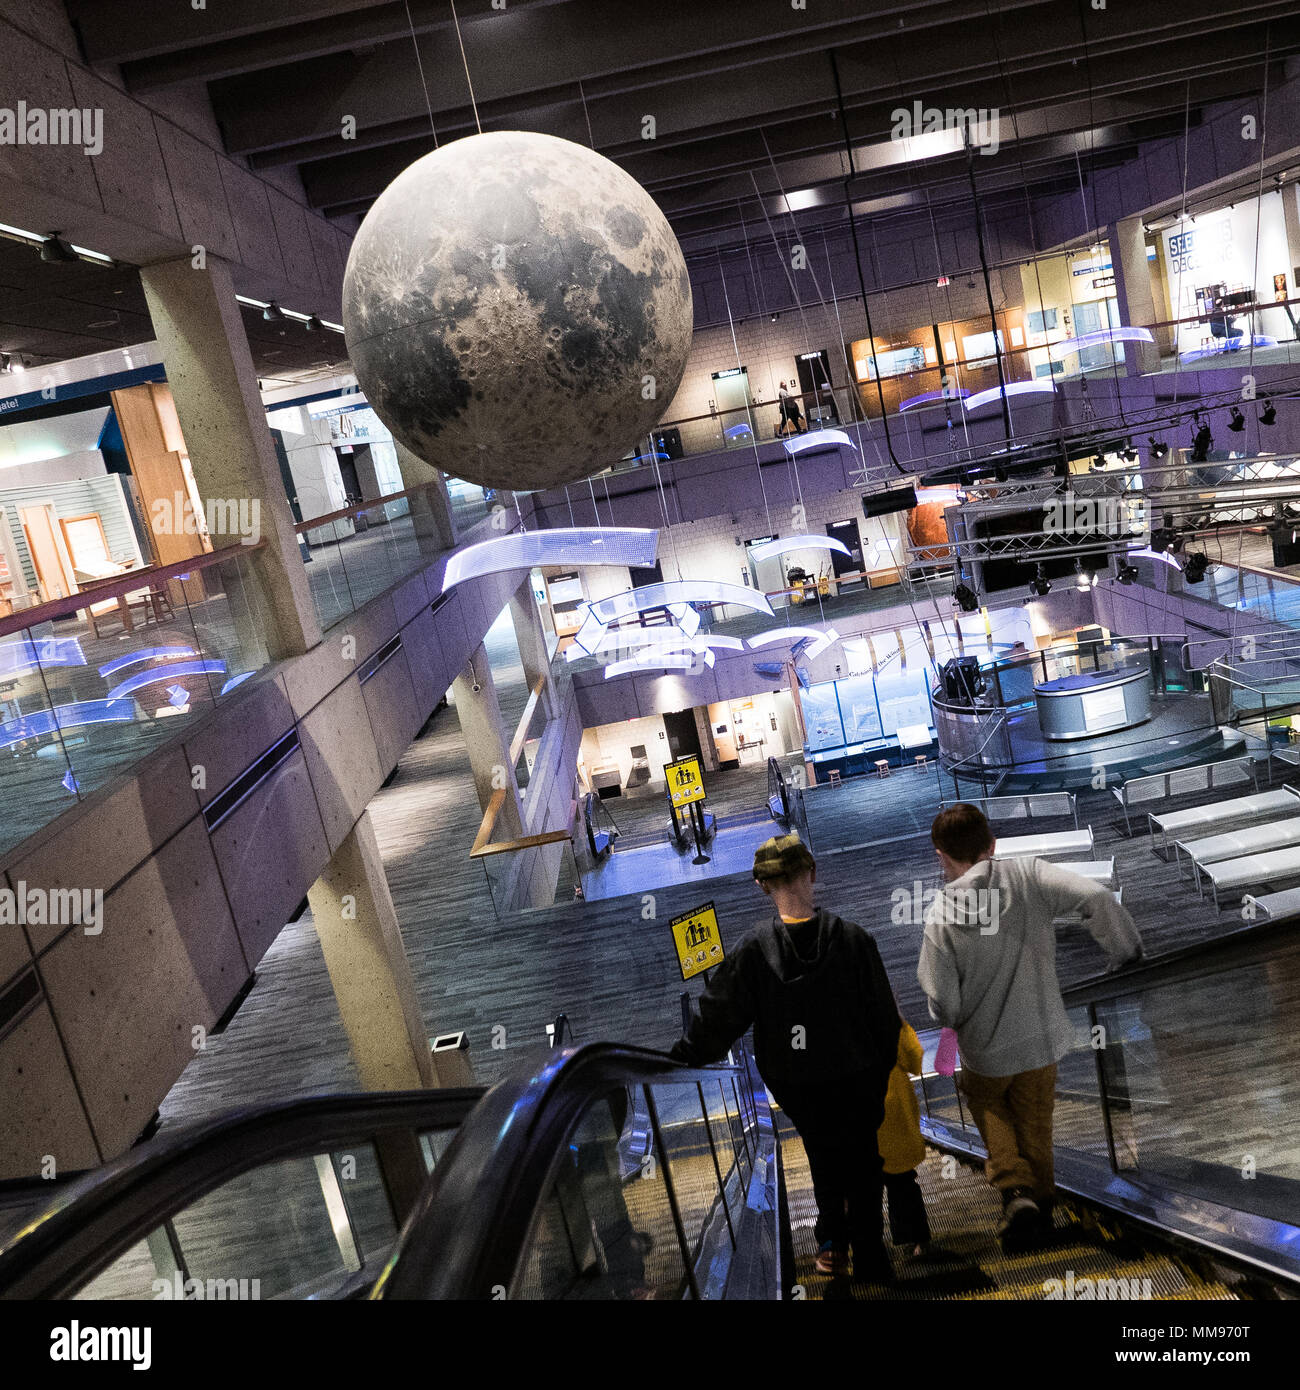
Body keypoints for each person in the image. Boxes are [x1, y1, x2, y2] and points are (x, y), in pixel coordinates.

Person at [670, 834, 900, 1280]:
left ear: (761, 886)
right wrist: (875, 1081)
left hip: (799, 1085)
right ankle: (872, 1253)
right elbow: (885, 1023)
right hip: (857, 1079)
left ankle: (833, 1246)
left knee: (823, 1153)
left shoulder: (754, 951)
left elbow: (717, 1020)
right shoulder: (855, 940)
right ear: (812, 873)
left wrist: (678, 1061)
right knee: (863, 1157)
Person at [917, 804, 1143, 1250]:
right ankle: (1041, 1209)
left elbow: (944, 1002)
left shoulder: (939, 917)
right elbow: (1096, 898)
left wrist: (952, 1019)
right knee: (1035, 1122)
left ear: (941, 855)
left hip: (984, 1050)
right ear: (992, 844)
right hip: (1041, 1040)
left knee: (989, 1108)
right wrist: (1125, 952)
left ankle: (1016, 1193)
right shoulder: (1028, 875)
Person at [877, 1014, 931, 1257]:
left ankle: (868, 1251)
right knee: (902, 1184)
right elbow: (914, 1060)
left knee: (862, 1191)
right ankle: (916, 1240)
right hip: (893, 1117)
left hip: (855, 1117)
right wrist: (899, 1019)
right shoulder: (887, 1022)